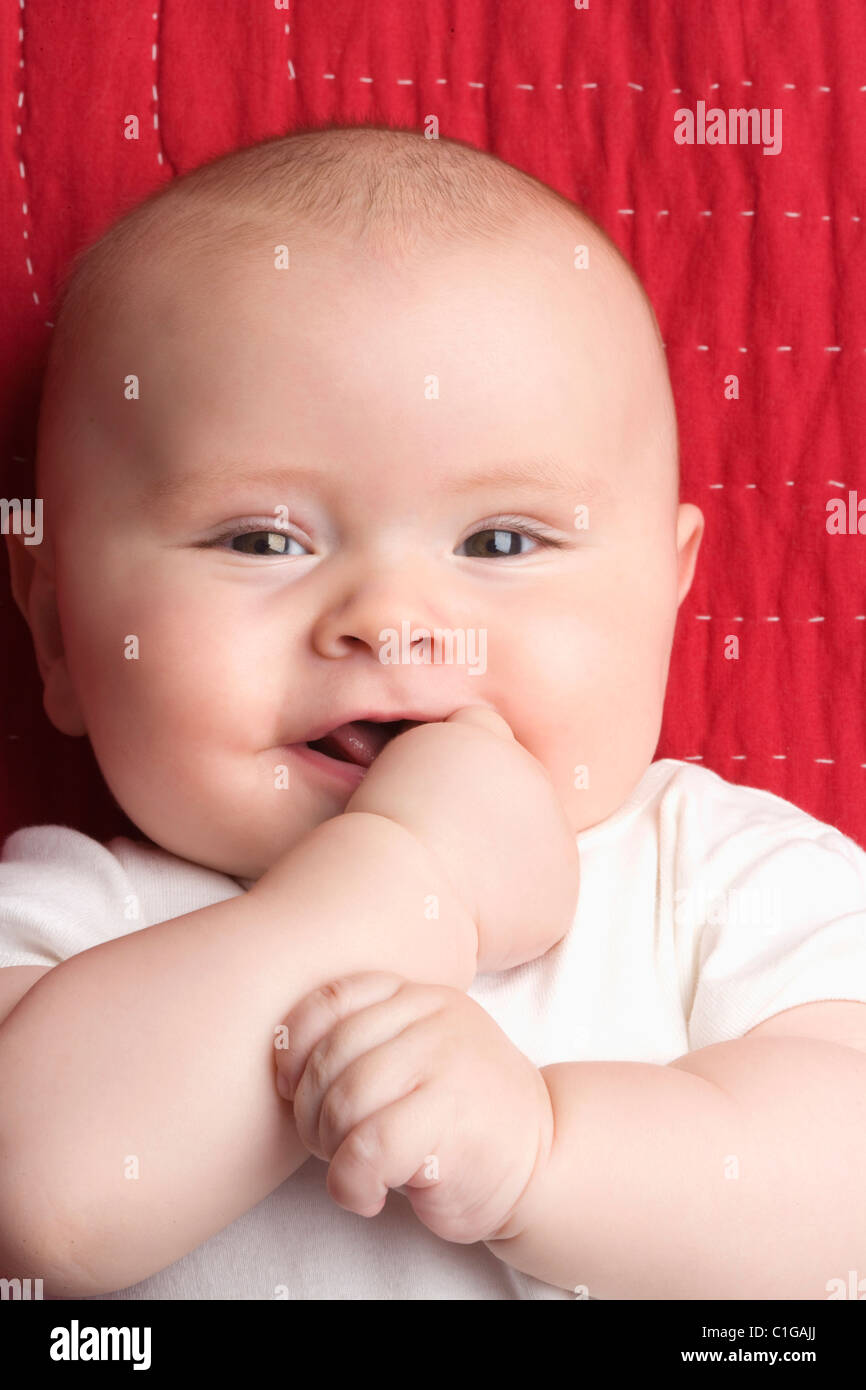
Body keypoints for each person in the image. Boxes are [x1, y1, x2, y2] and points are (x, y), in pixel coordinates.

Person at [2, 125, 865, 1300]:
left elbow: (841, 1196)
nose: (394, 622)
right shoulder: (67, 930)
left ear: (666, 602)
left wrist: (543, 1160)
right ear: (57, 630)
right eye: (261, 538)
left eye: (500, 540)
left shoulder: (716, 880)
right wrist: (412, 879)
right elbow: (36, 1207)